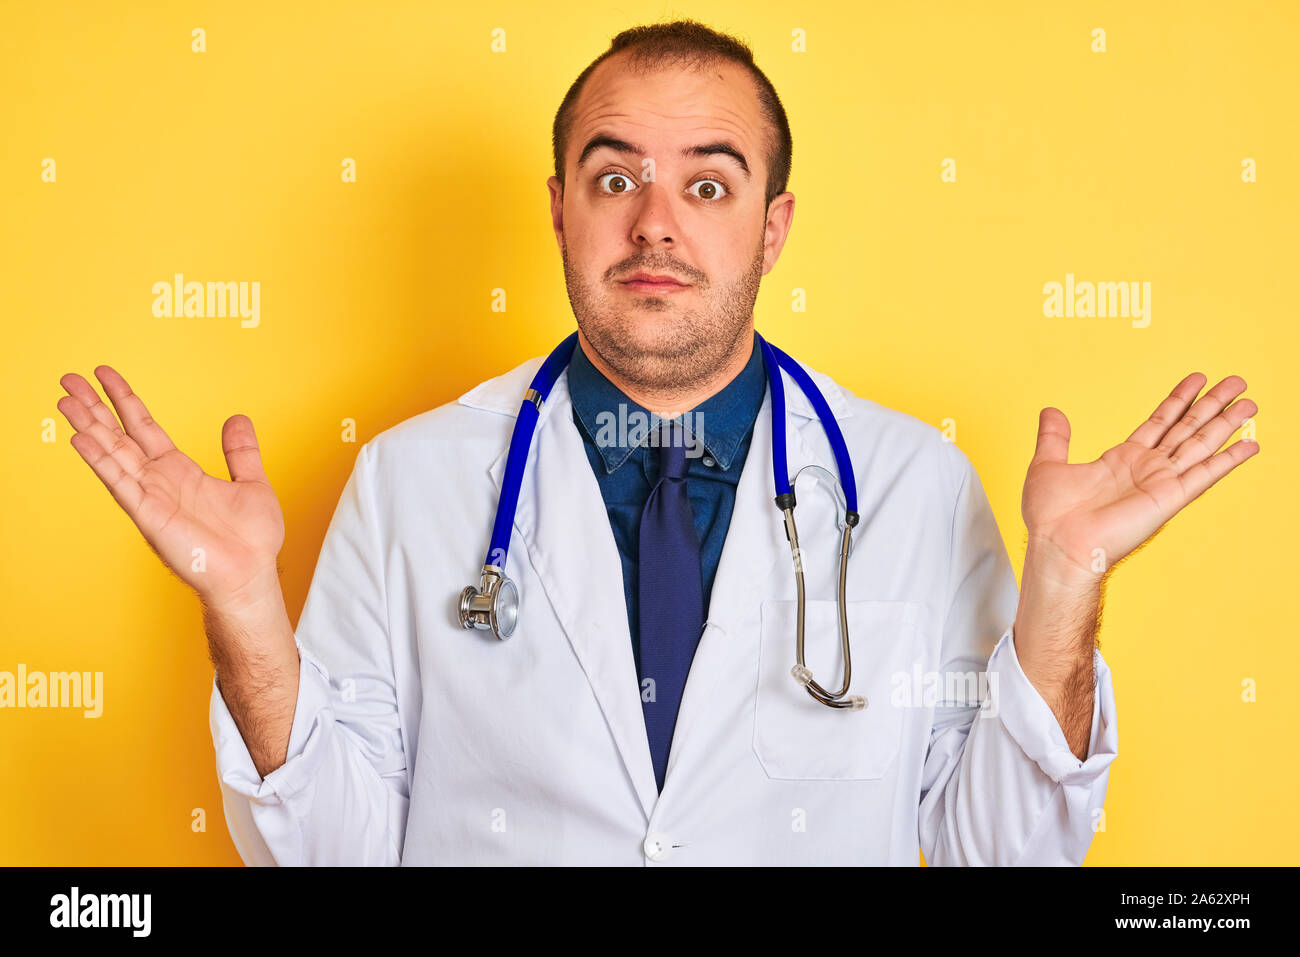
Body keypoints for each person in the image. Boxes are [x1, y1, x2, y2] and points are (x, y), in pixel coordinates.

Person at [56, 19, 1259, 866]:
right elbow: (332, 859)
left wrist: (1065, 588)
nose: (654, 224)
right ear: (558, 207)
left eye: (710, 185)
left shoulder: (911, 484)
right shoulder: (413, 480)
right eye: (613, 175)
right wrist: (244, 615)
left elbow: (1005, 855)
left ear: (774, 227)